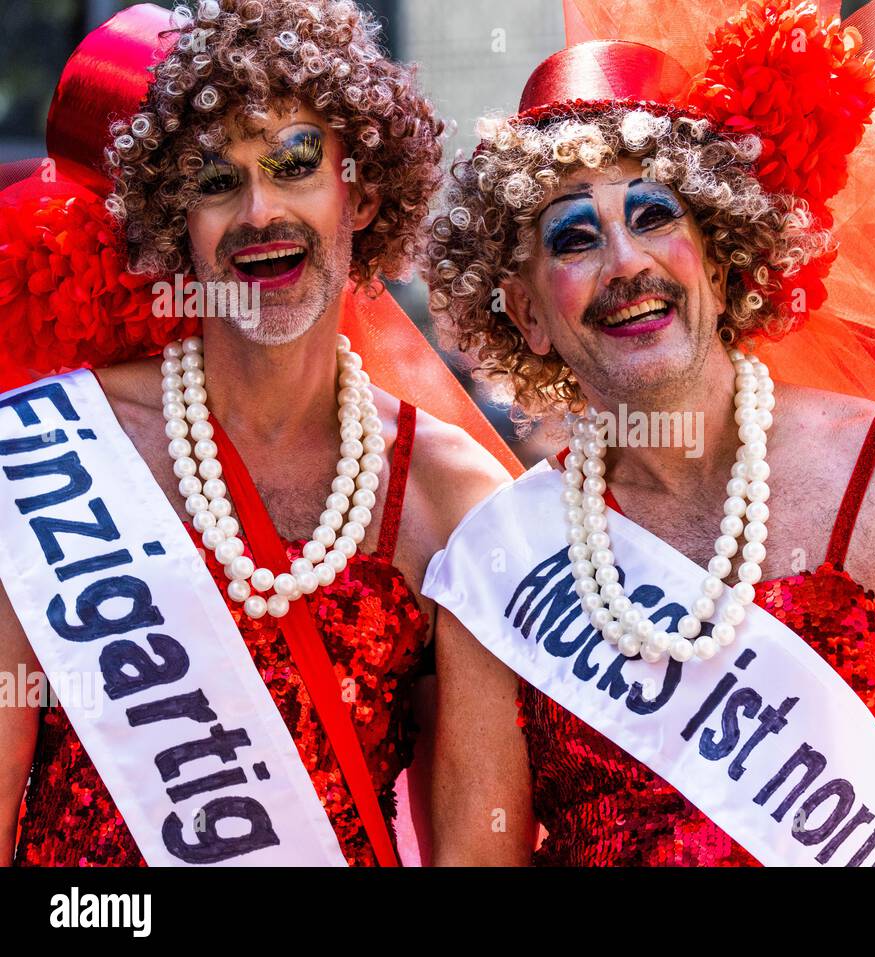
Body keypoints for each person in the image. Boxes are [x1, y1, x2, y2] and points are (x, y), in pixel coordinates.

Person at [416, 0, 875, 867]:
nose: (626, 262)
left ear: (724, 249)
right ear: (527, 314)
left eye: (656, 215)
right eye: (575, 238)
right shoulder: (498, 566)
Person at [0, 1, 519, 868]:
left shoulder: (452, 500)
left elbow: (476, 845)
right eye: (214, 180)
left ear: (365, 191)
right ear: (174, 223)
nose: (257, 209)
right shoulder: (52, 451)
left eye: (294, 161)